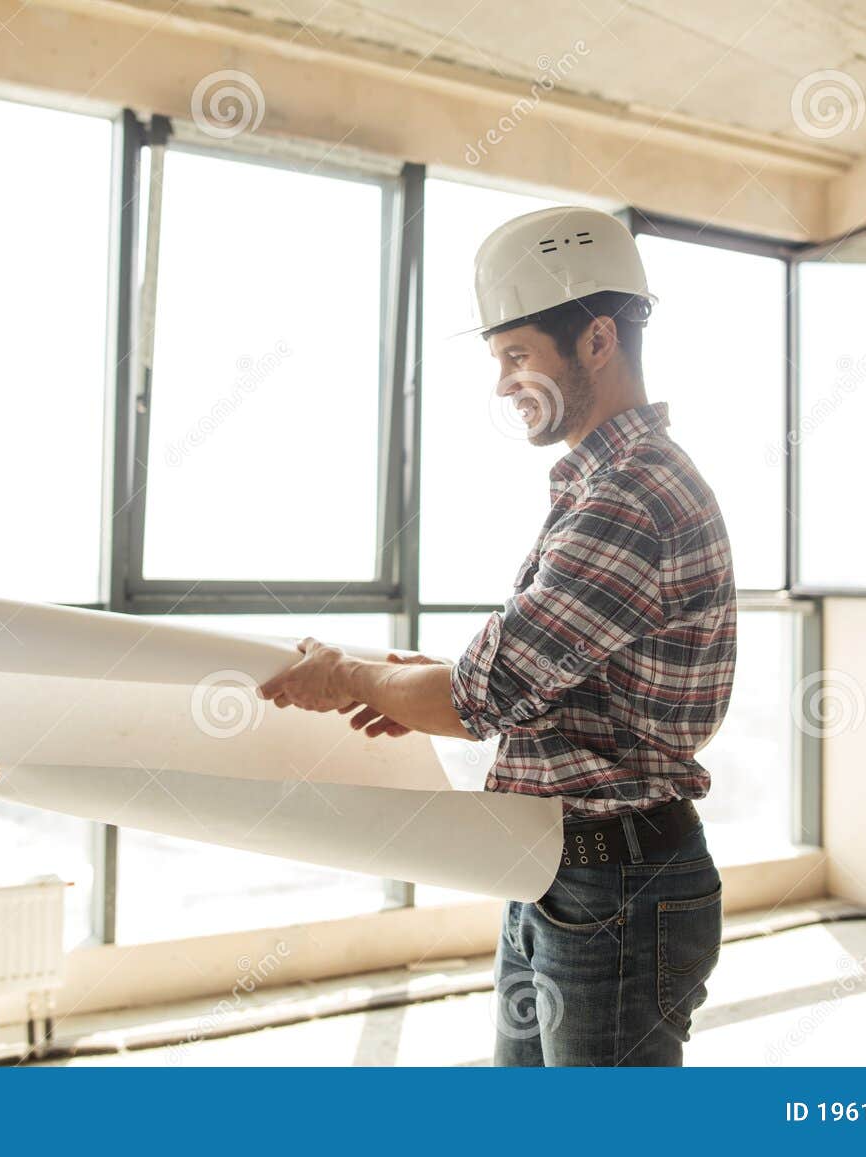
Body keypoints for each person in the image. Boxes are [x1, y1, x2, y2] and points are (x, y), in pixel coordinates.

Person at [258, 206, 737, 1066]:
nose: (503, 383)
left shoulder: (629, 496)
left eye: (518, 355)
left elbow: (488, 694)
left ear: (596, 340)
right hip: (562, 869)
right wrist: (414, 679)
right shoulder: (605, 483)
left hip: (616, 886)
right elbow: (548, 677)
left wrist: (356, 679)